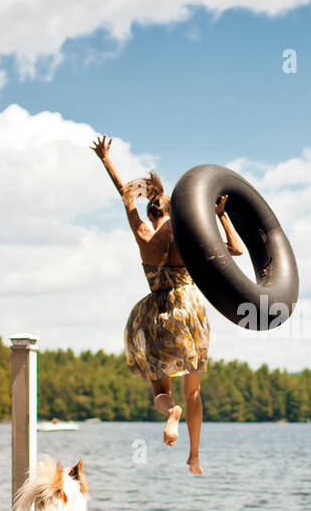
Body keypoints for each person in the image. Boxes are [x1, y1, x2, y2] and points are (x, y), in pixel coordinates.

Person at [91, 135, 244, 474]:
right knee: (194, 391)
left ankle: (169, 411)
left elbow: (125, 196)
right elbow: (236, 250)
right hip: (186, 313)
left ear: (152, 211)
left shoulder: (143, 235)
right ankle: (194, 455)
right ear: (178, 209)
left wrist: (106, 161)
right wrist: (220, 216)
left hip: (151, 315)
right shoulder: (188, 235)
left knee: (161, 389)